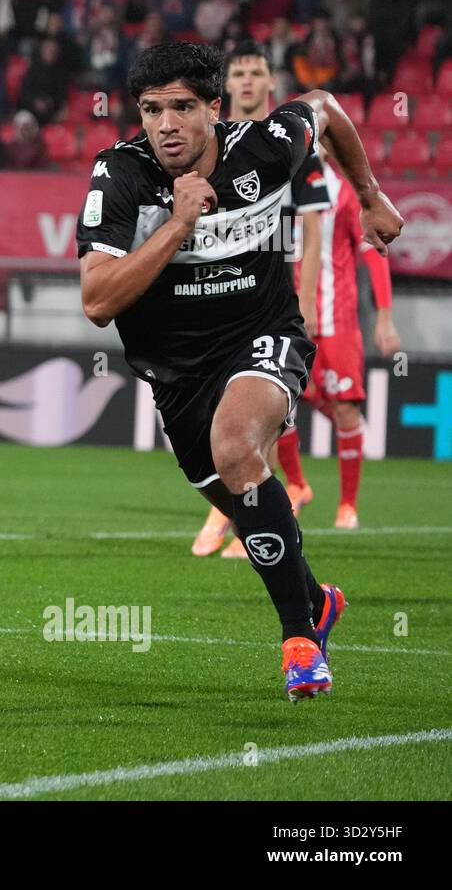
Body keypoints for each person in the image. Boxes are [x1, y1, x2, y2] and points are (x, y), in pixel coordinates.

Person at [76, 42, 402, 701]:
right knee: (240, 500)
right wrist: (176, 224)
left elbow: (327, 107)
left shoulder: (266, 143)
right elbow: (98, 302)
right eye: (151, 110)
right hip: (175, 373)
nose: (165, 124)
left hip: (264, 336)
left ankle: (300, 643)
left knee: (236, 448)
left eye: (182, 108)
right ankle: (317, 600)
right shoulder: (120, 176)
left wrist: (369, 196)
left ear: (214, 110)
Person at [192, 40, 332, 559]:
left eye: (257, 72)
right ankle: (279, 493)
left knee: (253, 404)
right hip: (219, 297)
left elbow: (313, 230)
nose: (248, 81)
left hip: (272, 294)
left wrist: (310, 297)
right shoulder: (207, 144)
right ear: (226, 86)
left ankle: (237, 514)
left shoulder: (285, 141)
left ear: (270, 82)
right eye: (240, 73)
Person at [282, 139, 401, 529]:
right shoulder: (280, 187)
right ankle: (297, 485)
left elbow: (372, 251)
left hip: (338, 322)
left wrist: (384, 317)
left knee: (346, 409)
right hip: (289, 320)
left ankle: (347, 506)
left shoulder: (346, 192)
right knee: (277, 407)